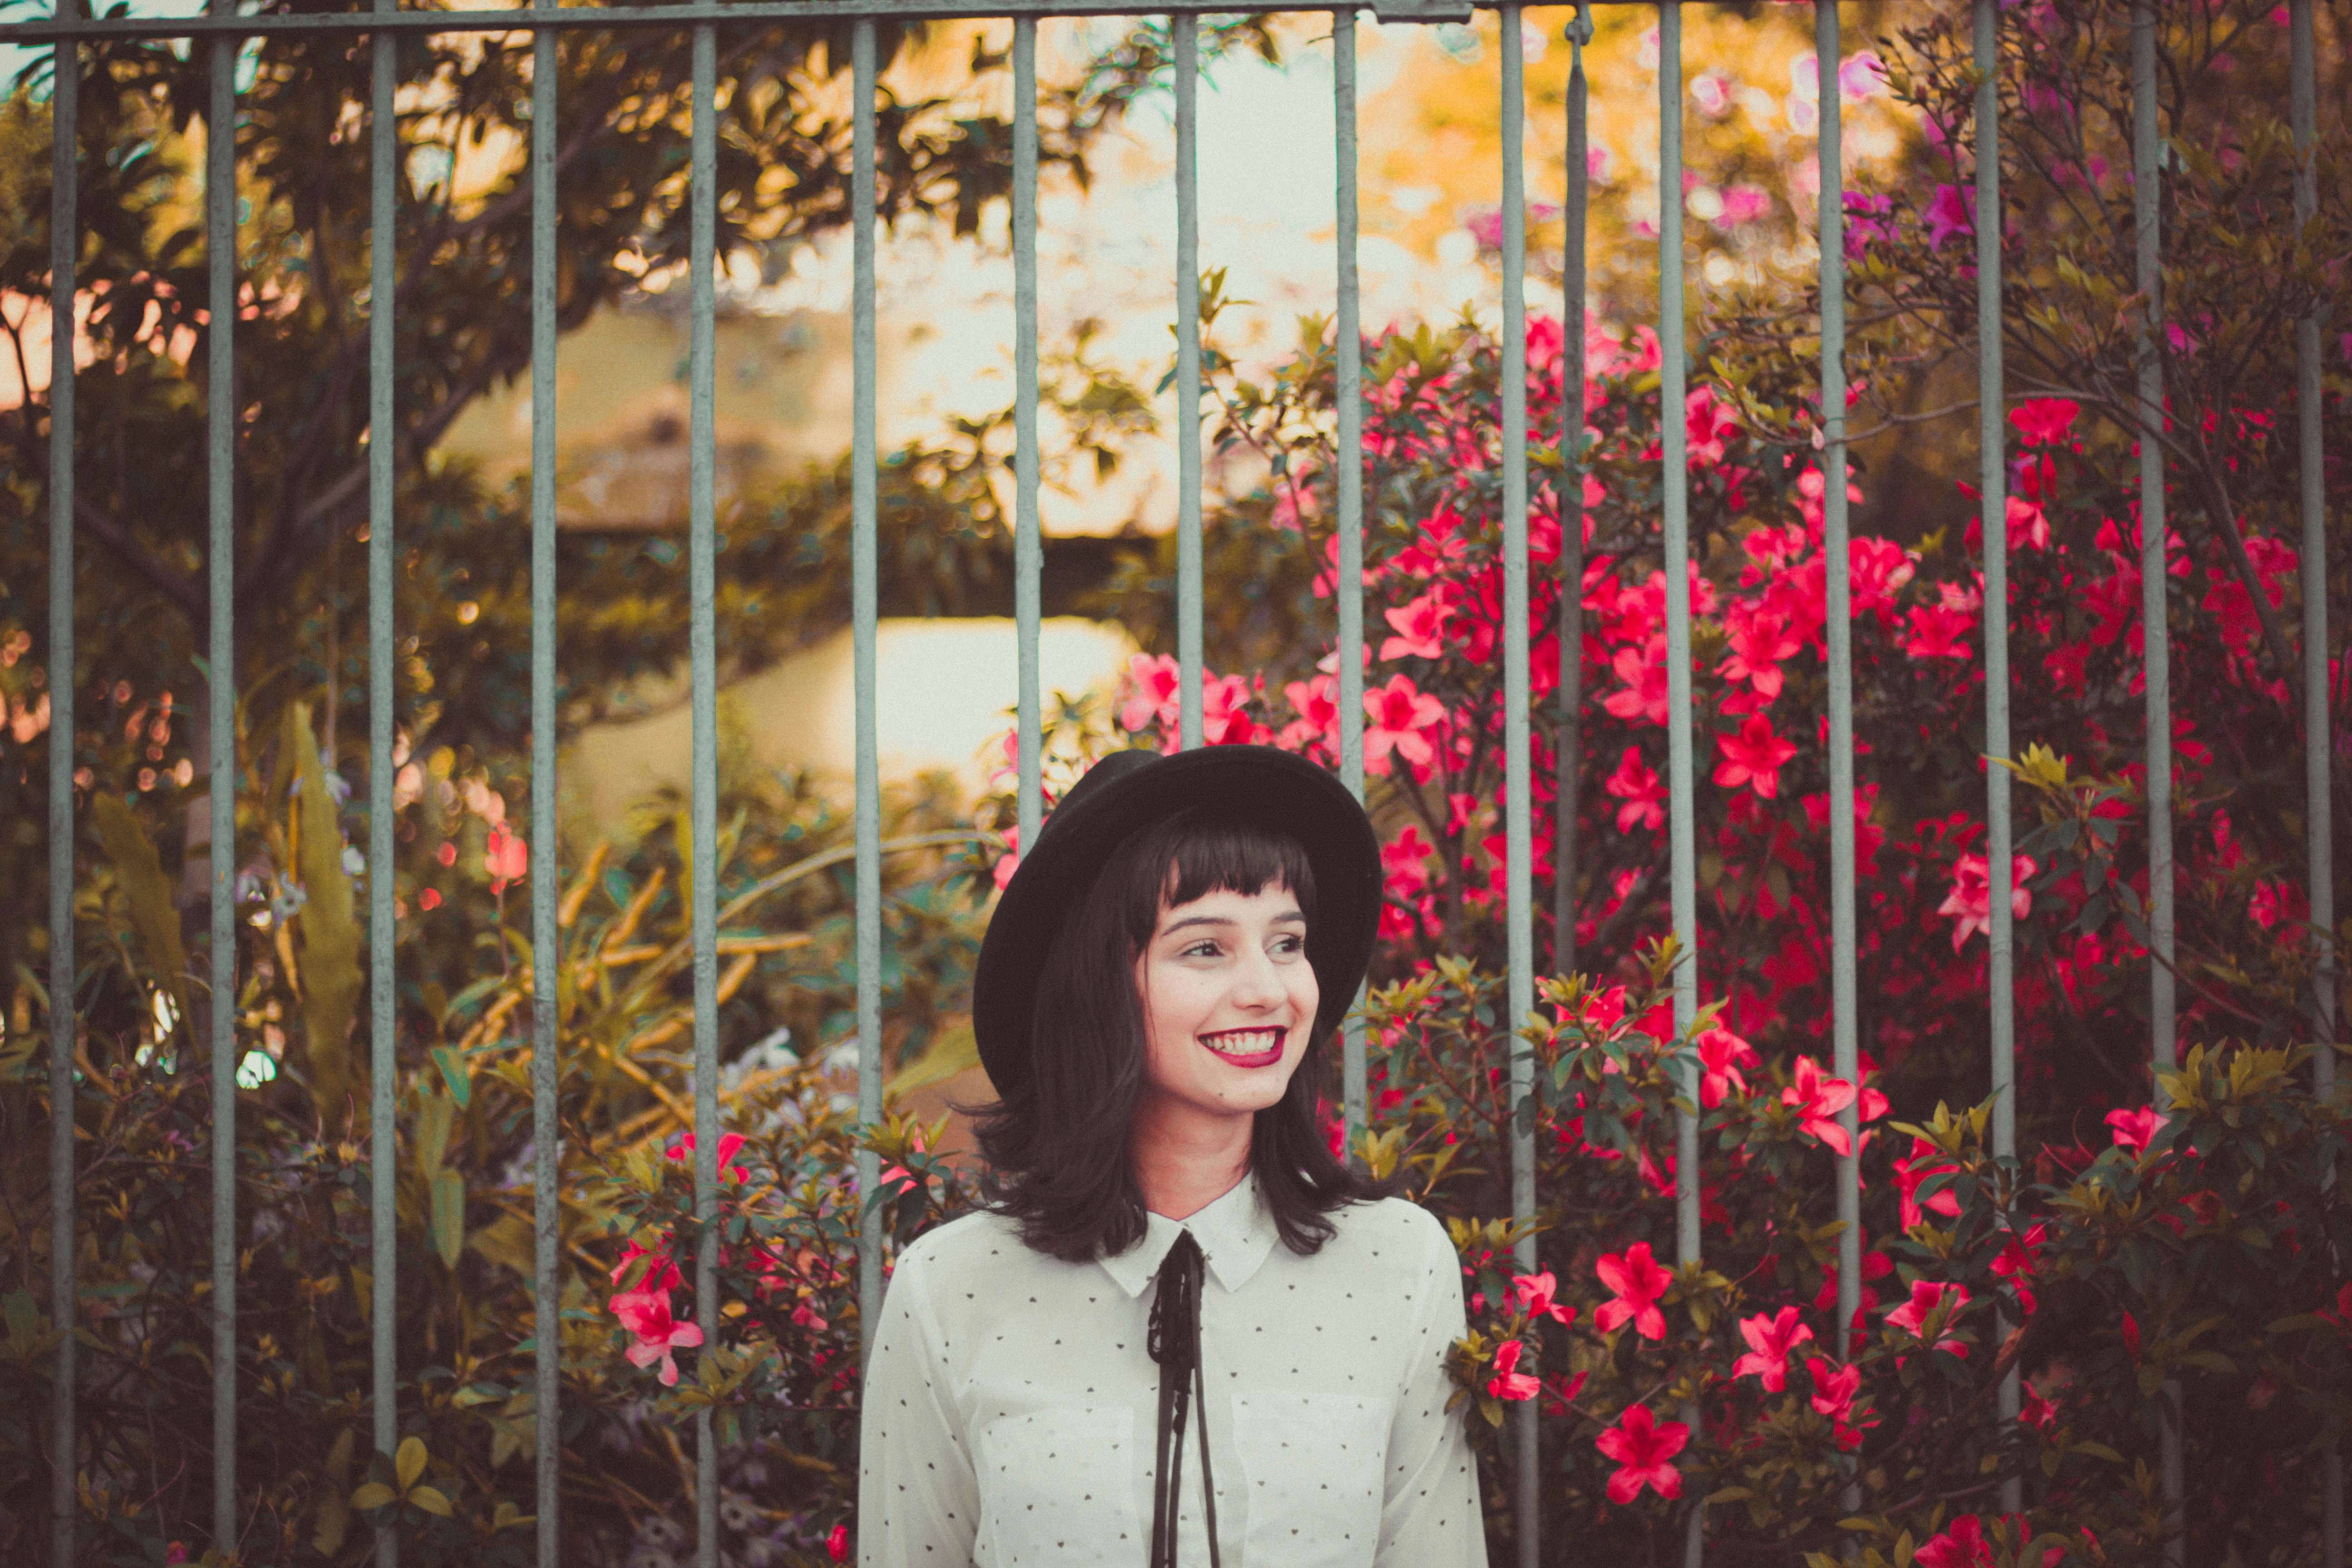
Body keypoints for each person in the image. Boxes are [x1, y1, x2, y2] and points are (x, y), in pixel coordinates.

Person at [857, 745, 1483, 1567]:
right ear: (1097, 986)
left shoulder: (1402, 1265)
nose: (1268, 989)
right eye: (1205, 949)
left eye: (1287, 942)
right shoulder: (952, 1287)